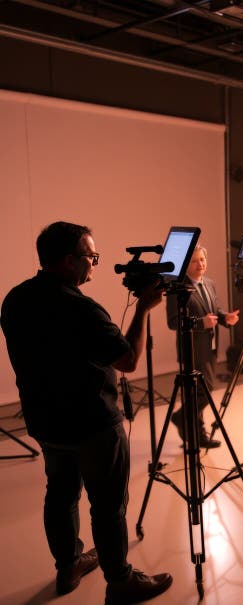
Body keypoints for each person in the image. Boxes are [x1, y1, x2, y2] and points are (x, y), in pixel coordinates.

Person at [1, 222, 173, 604]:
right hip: (93, 424)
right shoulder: (82, 308)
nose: (95, 264)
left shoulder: (14, 299)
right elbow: (128, 359)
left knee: (60, 495)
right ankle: (121, 581)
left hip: (46, 421)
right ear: (67, 261)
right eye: (90, 257)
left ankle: (68, 565)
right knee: (108, 505)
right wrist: (144, 307)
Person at [166, 245, 239, 449]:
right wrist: (200, 323)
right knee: (205, 390)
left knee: (198, 392)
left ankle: (196, 433)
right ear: (186, 265)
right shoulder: (178, 288)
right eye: (195, 261)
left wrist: (226, 318)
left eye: (203, 260)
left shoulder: (209, 283)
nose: (201, 264)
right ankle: (183, 418)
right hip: (192, 348)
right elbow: (173, 322)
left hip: (210, 347)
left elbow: (214, 311)